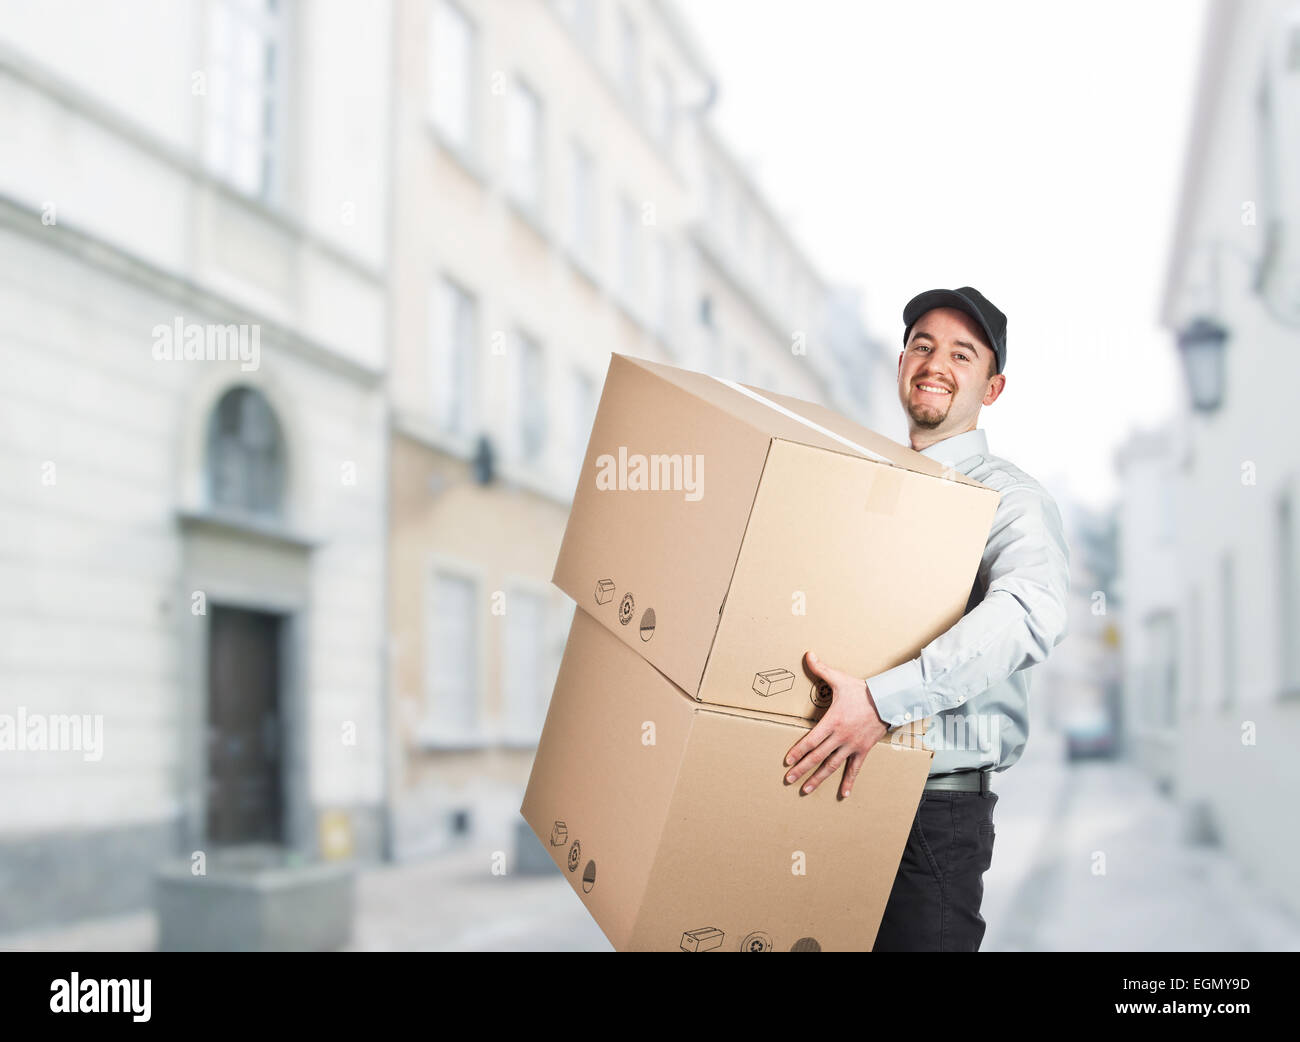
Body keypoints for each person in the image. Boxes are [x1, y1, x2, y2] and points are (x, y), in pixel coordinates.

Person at [782, 286, 1071, 952]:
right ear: (900, 367)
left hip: (931, 814)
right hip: (823, 789)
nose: (936, 361)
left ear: (992, 387)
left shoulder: (1008, 498)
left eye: (961, 353)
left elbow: (1032, 608)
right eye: (922, 344)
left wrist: (883, 703)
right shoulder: (862, 491)